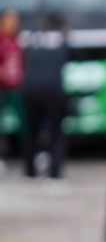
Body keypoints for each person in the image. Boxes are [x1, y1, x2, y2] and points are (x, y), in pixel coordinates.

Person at [19, 12, 69, 180]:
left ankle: (29, 171)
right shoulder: (62, 41)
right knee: (55, 133)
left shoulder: (32, 40)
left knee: (31, 132)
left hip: (30, 90)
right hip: (53, 91)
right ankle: (55, 173)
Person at [0, 9, 22, 170]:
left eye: (16, 20)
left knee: (25, 122)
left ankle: (29, 155)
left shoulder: (17, 40)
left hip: (16, 87)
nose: (14, 23)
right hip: (2, 88)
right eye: (10, 19)